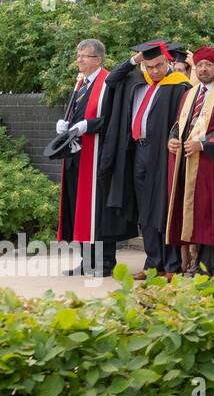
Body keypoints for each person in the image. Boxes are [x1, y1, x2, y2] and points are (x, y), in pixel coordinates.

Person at [102, 41, 191, 278]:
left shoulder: (179, 86)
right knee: (144, 209)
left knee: (162, 207)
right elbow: (110, 81)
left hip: (162, 153)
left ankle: (171, 266)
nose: (154, 71)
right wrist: (133, 60)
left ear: (168, 61)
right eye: (149, 66)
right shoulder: (137, 81)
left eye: (158, 65)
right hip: (138, 151)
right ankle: (153, 263)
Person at [164, 46, 214, 275]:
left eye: (209, 65)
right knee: (198, 215)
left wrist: (204, 143)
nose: (204, 69)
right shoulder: (190, 94)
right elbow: (179, 124)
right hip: (191, 162)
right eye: (200, 65)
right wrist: (173, 139)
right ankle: (201, 266)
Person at [54, 39, 121, 276]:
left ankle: (103, 263)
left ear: (98, 60)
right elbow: (77, 113)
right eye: (78, 55)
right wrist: (66, 125)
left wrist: (87, 125)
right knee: (79, 208)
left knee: (97, 211)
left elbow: (112, 117)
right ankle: (86, 261)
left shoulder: (108, 83)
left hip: (97, 155)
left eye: (85, 56)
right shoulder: (81, 83)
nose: (79, 60)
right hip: (76, 155)